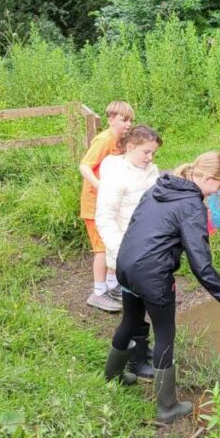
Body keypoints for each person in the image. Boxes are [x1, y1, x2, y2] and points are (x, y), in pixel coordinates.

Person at [106, 152, 220, 424]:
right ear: (205, 178)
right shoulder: (191, 205)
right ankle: (167, 407)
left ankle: (112, 378)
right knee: (165, 334)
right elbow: (200, 262)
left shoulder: (161, 185)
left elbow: (136, 225)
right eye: (219, 185)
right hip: (153, 274)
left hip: (127, 265)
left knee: (130, 320)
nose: (218, 192)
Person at [95, 125, 162, 380]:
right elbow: (105, 217)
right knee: (133, 312)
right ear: (130, 147)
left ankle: (142, 351)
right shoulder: (116, 176)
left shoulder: (150, 171)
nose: (150, 158)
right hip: (128, 255)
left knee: (140, 307)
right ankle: (133, 364)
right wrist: (123, 251)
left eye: (153, 153)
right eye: (146, 152)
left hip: (147, 252)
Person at [78, 100, 134, 311]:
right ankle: (98, 292)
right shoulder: (104, 140)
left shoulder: (121, 141)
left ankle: (112, 285)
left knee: (114, 244)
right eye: (123, 120)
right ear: (111, 119)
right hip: (95, 205)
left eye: (130, 120)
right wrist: (100, 186)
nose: (128, 124)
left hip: (112, 204)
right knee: (101, 249)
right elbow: (84, 166)